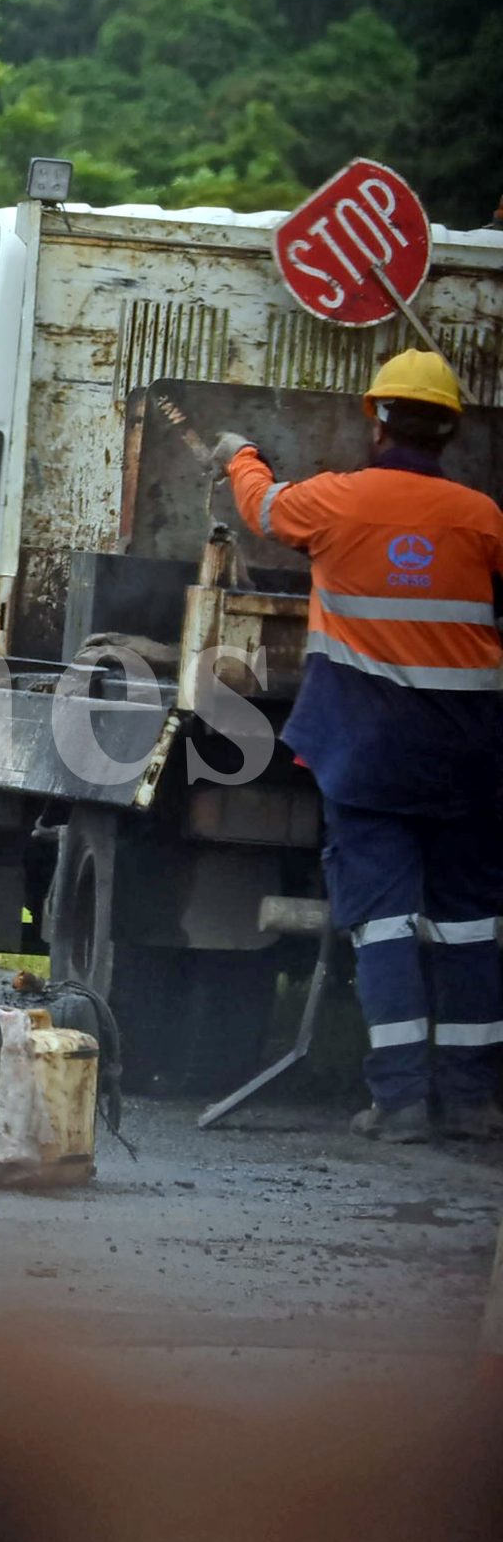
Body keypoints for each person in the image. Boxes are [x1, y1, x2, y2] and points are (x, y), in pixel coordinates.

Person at [215, 349, 503, 1143]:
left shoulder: (334, 503)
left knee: (381, 923)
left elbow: (263, 508)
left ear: (375, 419)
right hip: (468, 757)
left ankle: (402, 1101)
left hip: (367, 753)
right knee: (470, 923)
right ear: (449, 428)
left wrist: (239, 452)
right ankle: (475, 1100)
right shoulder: (483, 519)